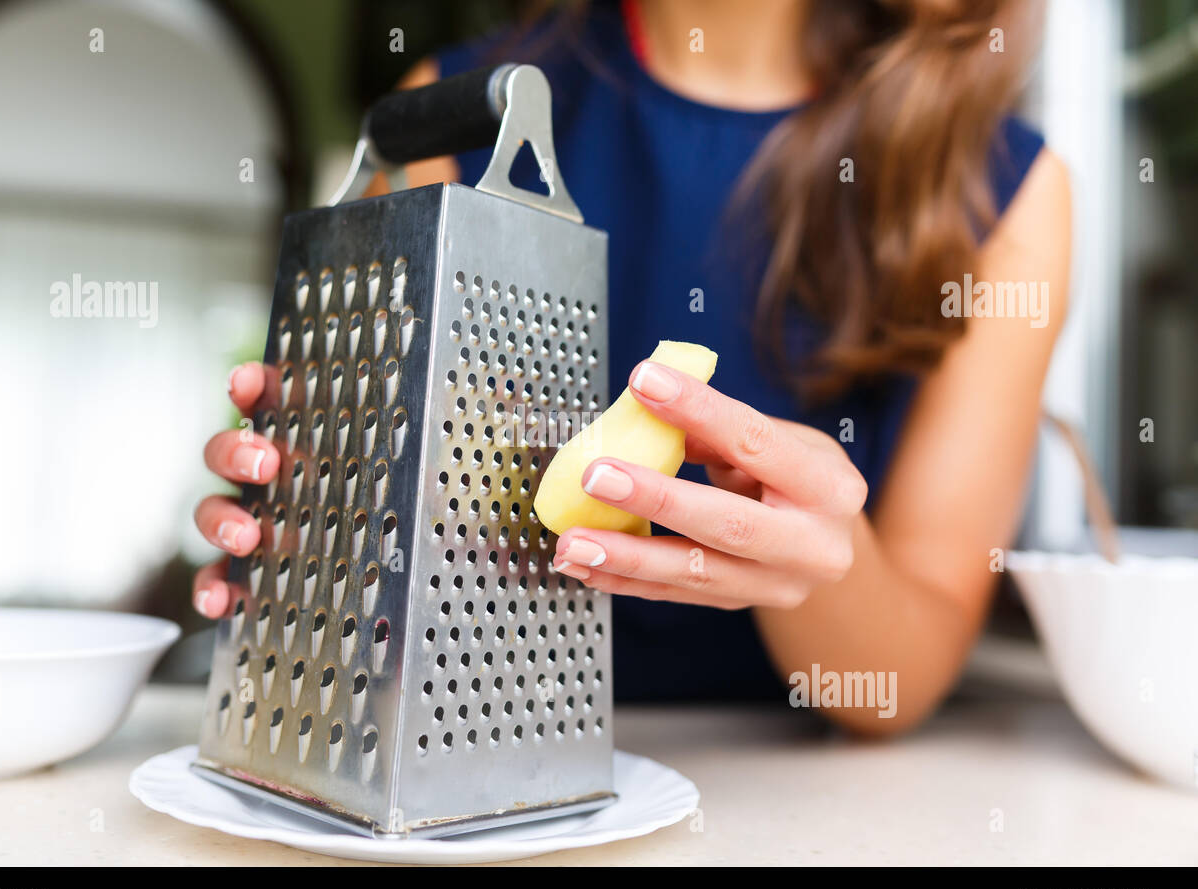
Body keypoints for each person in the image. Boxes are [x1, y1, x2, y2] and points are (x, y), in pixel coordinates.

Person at [192, 0, 1071, 734]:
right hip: (479, 737)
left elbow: (898, 684)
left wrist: (810, 553)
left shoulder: (1006, 192)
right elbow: (390, 558)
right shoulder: (460, 109)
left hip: (786, 785)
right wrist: (314, 514)